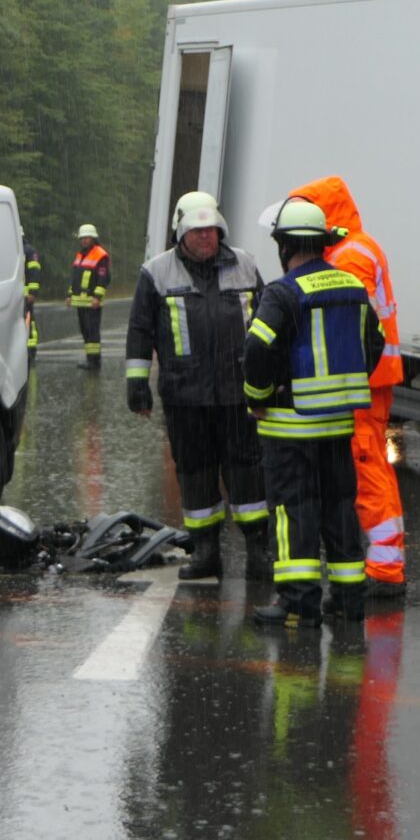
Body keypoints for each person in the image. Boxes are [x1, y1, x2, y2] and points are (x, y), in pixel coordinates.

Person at [242, 197, 383, 627]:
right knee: (339, 509)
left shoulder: (282, 293)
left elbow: (256, 347)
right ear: (323, 244)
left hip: (289, 428)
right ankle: (347, 601)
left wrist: (260, 396)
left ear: (284, 246)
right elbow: (373, 344)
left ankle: (299, 605)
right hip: (338, 426)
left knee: (294, 511)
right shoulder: (352, 289)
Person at [125, 191, 271, 581]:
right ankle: (206, 552)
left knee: (249, 472)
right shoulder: (156, 273)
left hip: (239, 393)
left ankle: (259, 551)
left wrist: (272, 379)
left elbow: (269, 324)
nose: (206, 238)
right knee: (195, 472)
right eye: (197, 231)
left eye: (211, 230)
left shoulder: (244, 265)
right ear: (181, 233)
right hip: (185, 396)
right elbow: (140, 331)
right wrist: (137, 384)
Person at [292, 176, 408, 600]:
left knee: (365, 470)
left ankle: (384, 568)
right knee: (372, 464)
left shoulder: (350, 255)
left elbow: (341, 318)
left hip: (363, 379)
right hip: (369, 378)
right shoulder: (353, 248)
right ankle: (384, 560)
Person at [68, 223, 111, 369]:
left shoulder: (100, 254)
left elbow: (103, 278)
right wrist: (70, 295)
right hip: (81, 301)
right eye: (82, 238)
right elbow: (75, 278)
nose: (84, 240)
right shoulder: (80, 255)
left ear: (93, 238)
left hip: (92, 301)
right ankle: (89, 359)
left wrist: (97, 297)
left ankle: (94, 361)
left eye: (87, 238)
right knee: (85, 331)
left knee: (92, 332)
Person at [22, 236, 41, 366]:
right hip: (16, 296)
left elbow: (34, 272)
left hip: (25, 296)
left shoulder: (28, 251)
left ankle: (31, 352)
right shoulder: (15, 250)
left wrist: (32, 292)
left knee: (29, 323)